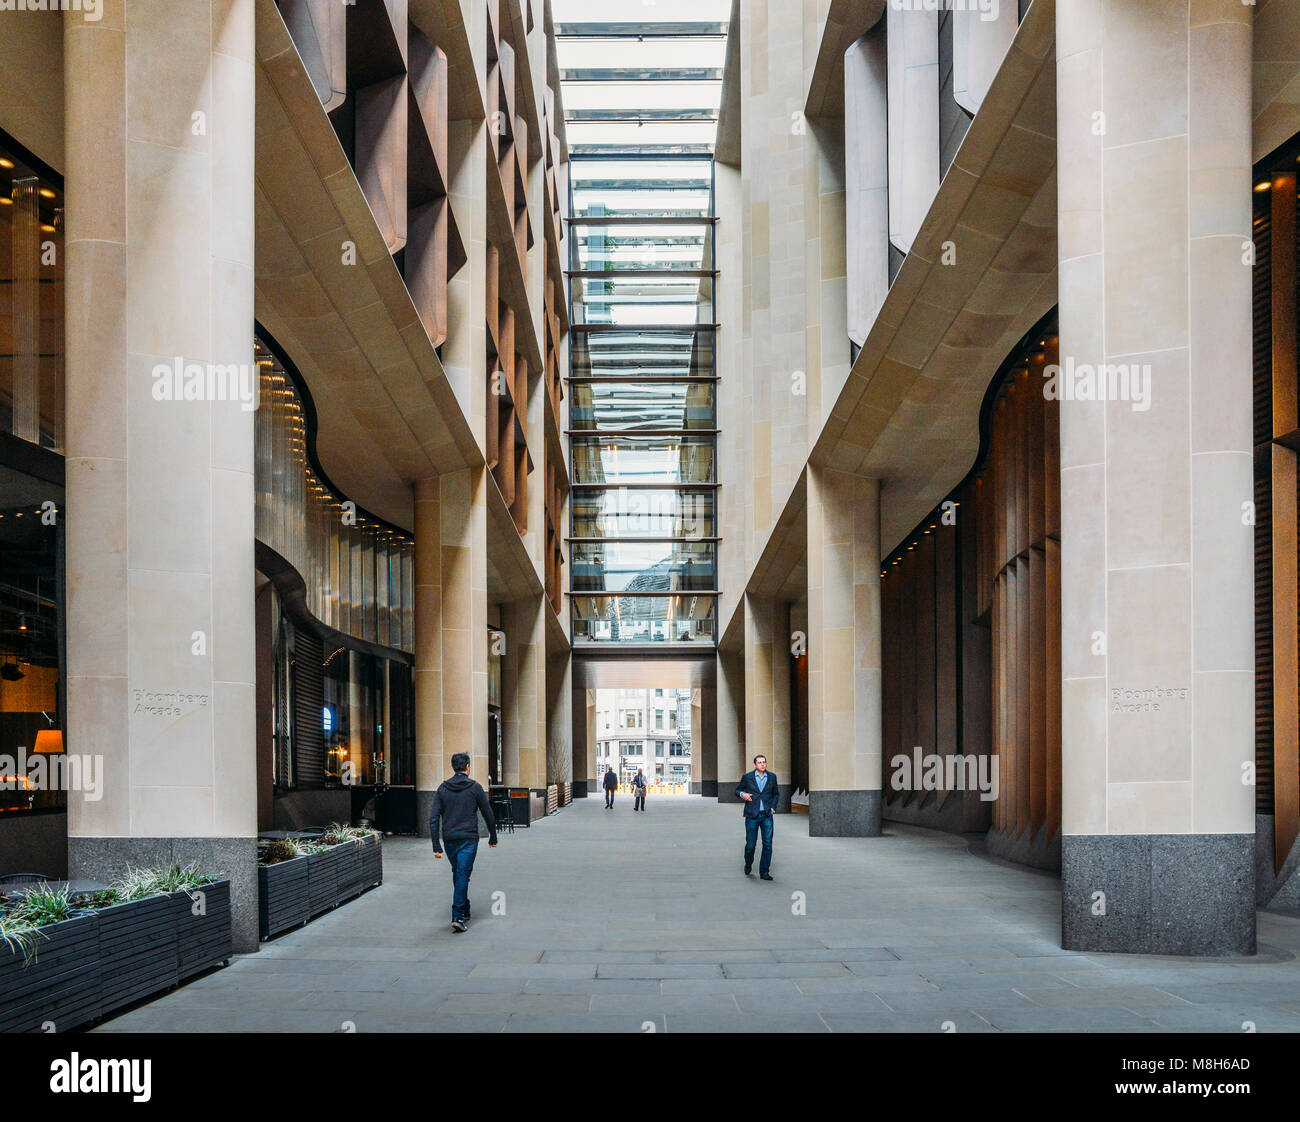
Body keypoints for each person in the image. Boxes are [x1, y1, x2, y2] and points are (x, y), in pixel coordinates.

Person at [427, 751, 497, 933]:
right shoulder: (475, 788)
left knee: (459, 872)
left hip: (449, 839)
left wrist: (436, 845)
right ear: (467, 767)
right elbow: (488, 813)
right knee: (462, 873)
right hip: (468, 839)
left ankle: (464, 907)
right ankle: (457, 916)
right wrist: (493, 836)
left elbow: (433, 818)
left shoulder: (442, 789)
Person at [735, 754, 778, 880]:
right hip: (751, 815)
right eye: (759, 762)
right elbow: (737, 791)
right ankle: (748, 863)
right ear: (755, 765)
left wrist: (773, 808)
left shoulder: (772, 777)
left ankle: (764, 872)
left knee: (768, 844)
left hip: (766, 815)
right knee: (750, 845)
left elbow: (776, 794)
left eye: (764, 762)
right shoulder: (747, 777)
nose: (762, 764)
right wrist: (743, 794)